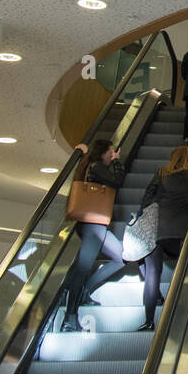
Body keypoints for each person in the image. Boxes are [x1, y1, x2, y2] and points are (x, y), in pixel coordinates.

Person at [136, 144, 188, 331]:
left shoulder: (162, 173)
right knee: (184, 275)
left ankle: (149, 321)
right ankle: (181, 320)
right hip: (182, 233)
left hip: (157, 231)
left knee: (152, 275)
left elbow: (146, 199)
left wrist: (141, 217)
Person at [61, 138, 128, 332]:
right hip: (92, 226)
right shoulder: (97, 166)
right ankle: (70, 318)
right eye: (110, 152)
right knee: (82, 269)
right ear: (102, 153)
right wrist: (117, 161)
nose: (112, 155)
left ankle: (84, 291)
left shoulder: (92, 166)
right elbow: (117, 181)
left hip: (94, 225)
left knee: (120, 256)